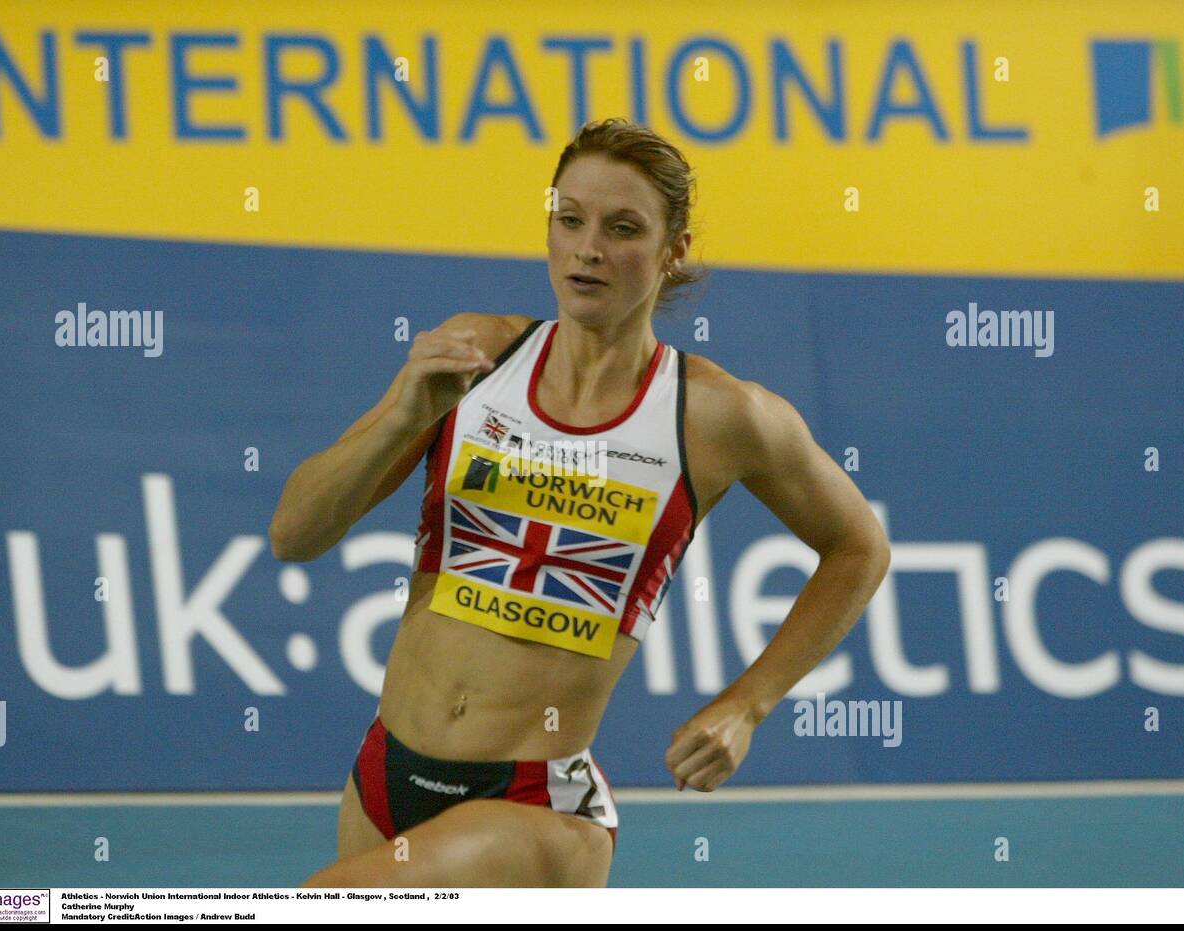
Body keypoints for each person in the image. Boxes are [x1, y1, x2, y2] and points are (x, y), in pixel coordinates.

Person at [270, 118, 890, 888]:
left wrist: (746, 705)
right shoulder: (477, 355)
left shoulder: (718, 416)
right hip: (384, 774)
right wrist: (402, 414)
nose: (588, 248)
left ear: (675, 251)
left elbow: (860, 547)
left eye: (623, 228)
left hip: (533, 809)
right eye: (570, 220)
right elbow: (294, 534)